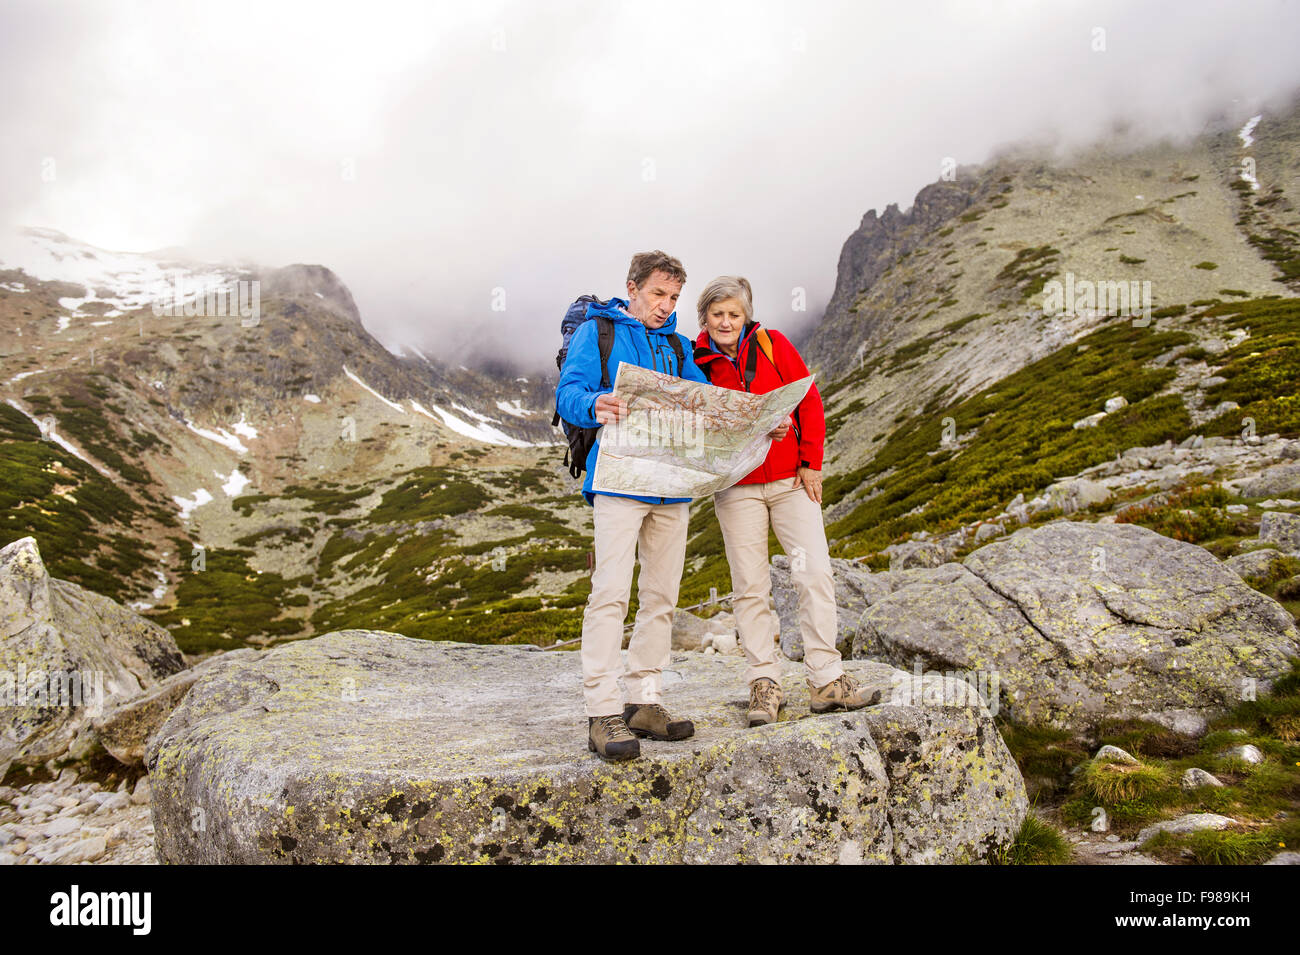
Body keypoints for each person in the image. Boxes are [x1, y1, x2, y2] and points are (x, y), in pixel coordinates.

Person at [691, 275, 881, 728]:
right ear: (704, 317)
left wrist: (810, 460)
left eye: (734, 314)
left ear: (746, 315)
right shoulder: (694, 359)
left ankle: (826, 678)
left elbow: (807, 400)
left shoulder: (774, 343)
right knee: (750, 585)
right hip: (736, 487)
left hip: (791, 482)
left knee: (813, 572)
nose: (725, 321)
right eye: (717, 314)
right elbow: (692, 420)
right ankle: (764, 683)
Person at [555, 250, 710, 761]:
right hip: (619, 480)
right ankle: (602, 712)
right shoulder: (598, 331)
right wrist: (595, 404)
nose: (665, 306)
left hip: (670, 484)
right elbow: (568, 394)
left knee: (662, 595)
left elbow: (704, 398)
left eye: (674, 298)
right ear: (633, 287)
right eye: (658, 294)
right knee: (611, 593)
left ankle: (644, 700)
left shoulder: (678, 346)